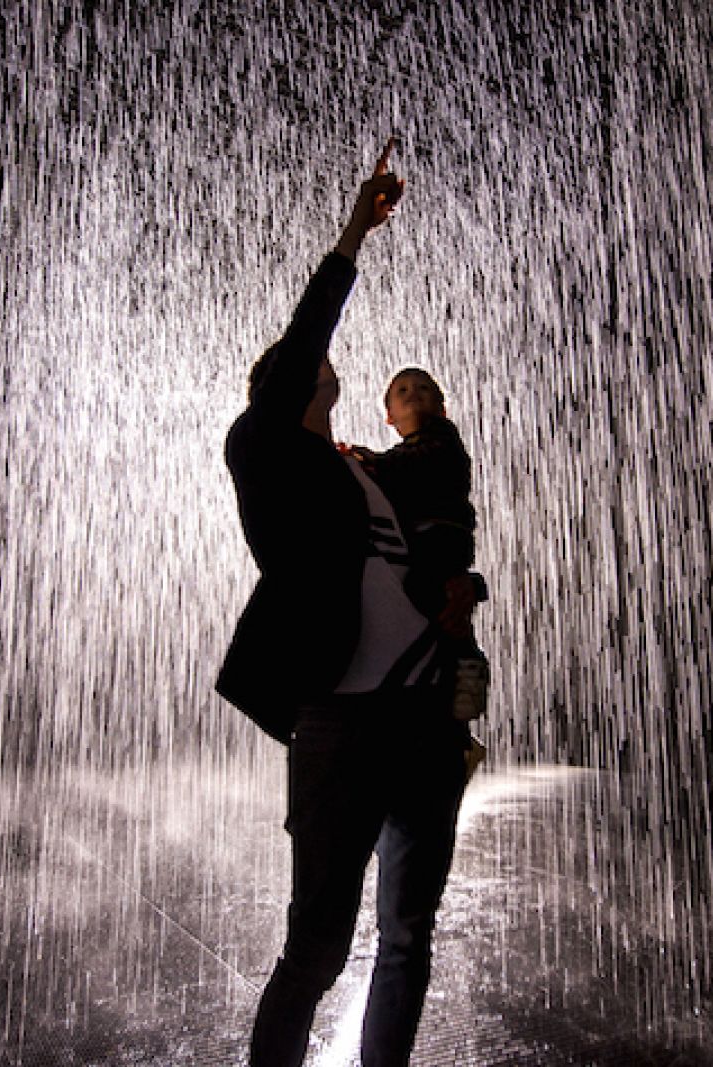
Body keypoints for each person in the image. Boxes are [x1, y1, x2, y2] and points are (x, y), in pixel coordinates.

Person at [216, 140, 471, 1067]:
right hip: (343, 722)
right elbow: (305, 340)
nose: (322, 362)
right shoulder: (263, 450)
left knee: (407, 938)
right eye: (301, 362)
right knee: (317, 950)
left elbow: (419, 558)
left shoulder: (362, 470)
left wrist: (457, 600)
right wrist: (355, 232)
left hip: (422, 719)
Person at [345, 368, 490, 738]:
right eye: (403, 390)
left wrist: (368, 462)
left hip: (441, 539)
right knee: (433, 607)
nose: (414, 393)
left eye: (424, 388)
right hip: (425, 544)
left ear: (442, 410)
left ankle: (467, 662)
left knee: (431, 598)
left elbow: (410, 467)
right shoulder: (404, 453)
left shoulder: (442, 440)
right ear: (389, 417)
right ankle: (455, 673)